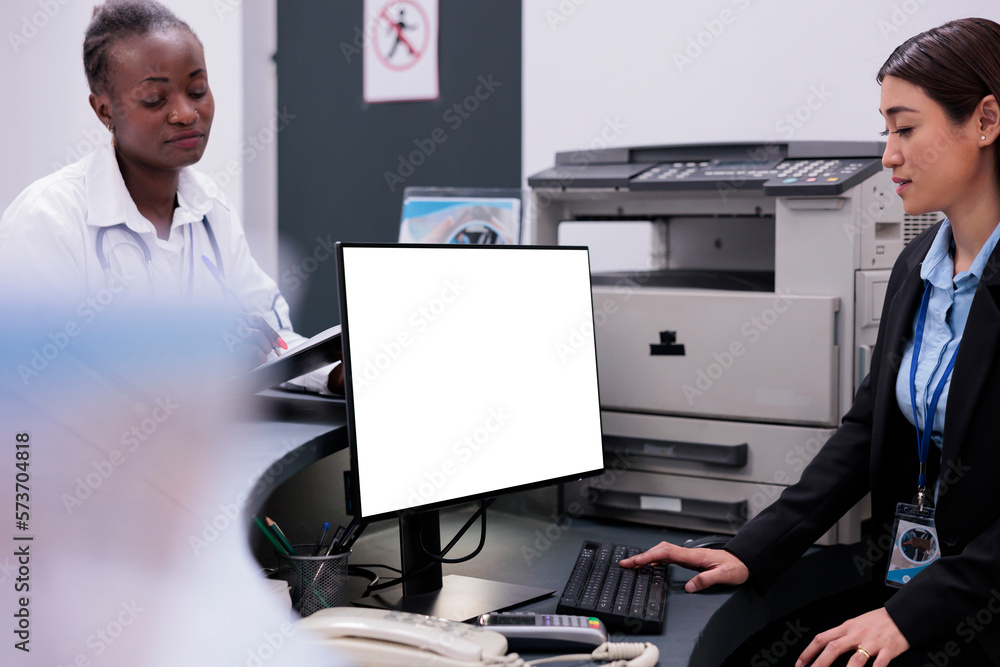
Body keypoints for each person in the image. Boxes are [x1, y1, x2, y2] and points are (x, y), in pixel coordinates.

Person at [621, 18, 1000, 667]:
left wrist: (911, 616)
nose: (888, 155)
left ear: (986, 121)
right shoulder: (917, 267)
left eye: (906, 128)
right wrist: (752, 548)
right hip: (913, 586)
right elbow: (865, 431)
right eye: (885, 131)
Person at [0, 0, 341, 392]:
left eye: (197, 90)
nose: (186, 113)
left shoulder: (211, 209)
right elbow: (33, 377)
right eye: (155, 99)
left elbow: (273, 339)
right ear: (104, 111)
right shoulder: (48, 218)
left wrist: (331, 374)